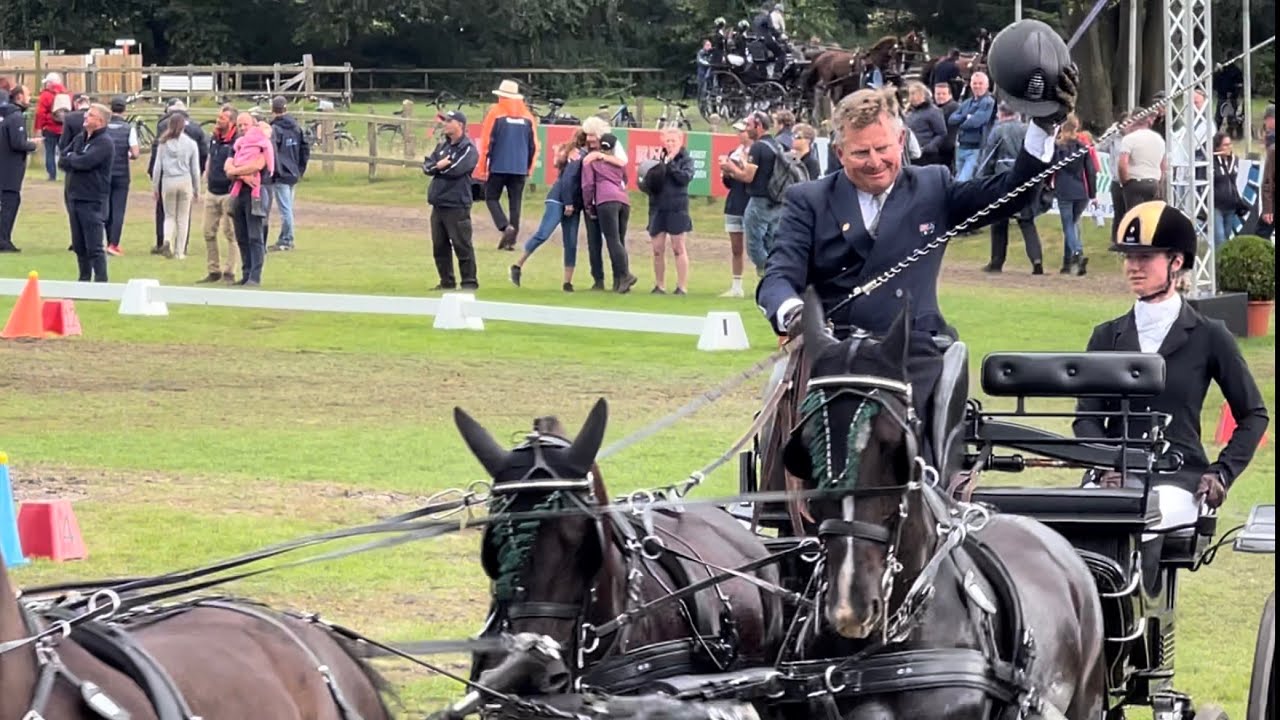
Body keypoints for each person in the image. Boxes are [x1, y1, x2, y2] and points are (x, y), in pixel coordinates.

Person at [758, 20, 1078, 412]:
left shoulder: (934, 186)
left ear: (901, 142)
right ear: (840, 154)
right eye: (860, 153)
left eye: (882, 149)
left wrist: (1045, 126)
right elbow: (778, 277)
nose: (875, 162)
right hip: (832, 352)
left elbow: (1009, 193)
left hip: (913, 351)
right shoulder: (807, 199)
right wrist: (794, 316)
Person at [1074, 201, 1269, 527]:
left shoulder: (1210, 336)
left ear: (1176, 262)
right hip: (1114, 476)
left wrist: (1221, 473)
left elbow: (1253, 415)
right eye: (1128, 257)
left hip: (1179, 475)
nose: (1133, 266)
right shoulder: (1106, 336)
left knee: (1145, 518)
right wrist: (1106, 465)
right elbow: (1087, 418)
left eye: (1145, 257)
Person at [510, 131, 586, 292]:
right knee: (544, 233)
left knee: (571, 242)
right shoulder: (579, 155)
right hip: (560, 199)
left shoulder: (578, 154)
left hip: (572, 202)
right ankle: (517, 264)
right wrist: (568, 202)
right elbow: (567, 179)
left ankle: (567, 282)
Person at [978, 103, 1044, 274]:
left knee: (999, 221)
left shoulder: (998, 131)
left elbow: (989, 158)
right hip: (1025, 177)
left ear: (1001, 114)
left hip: (1003, 178)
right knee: (1026, 221)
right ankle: (1036, 260)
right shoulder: (1026, 130)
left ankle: (997, 261)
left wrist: (983, 180)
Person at [477, 80, 539, 250]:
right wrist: (529, 167)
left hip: (499, 164)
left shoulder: (495, 113)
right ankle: (511, 241)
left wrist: (482, 168)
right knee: (515, 203)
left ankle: (505, 227)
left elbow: (486, 143)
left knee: (491, 197)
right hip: (519, 167)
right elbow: (534, 145)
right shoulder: (527, 116)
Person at [424, 110, 480, 290]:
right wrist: (437, 167)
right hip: (439, 202)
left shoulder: (468, 149)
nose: (445, 124)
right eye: (444, 121)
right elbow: (427, 165)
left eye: (449, 121)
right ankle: (446, 282)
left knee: (461, 244)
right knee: (439, 246)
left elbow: (455, 170)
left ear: (460, 125)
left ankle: (469, 282)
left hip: (457, 203)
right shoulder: (442, 147)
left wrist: (437, 168)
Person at [58, 104, 114, 282]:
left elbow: (86, 162)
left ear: (100, 121)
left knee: (94, 245)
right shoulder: (80, 138)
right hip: (74, 196)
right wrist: (75, 159)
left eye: (90, 115)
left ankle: (101, 281)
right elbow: (62, 160)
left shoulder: (105, 143)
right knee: (79, 244)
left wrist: (74, 159)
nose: (85, 117)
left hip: (92, 198)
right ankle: (83, 278)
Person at [722, 110, 782, 275]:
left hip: (759, 200)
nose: (746, 129)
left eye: (749, 125)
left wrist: (730, 168)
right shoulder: (776, 145)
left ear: (759, 126)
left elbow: (747, 177)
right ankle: (776, 273)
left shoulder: (758, 147)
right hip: (776, 200)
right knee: (770, 241)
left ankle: (770, 273)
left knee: (754, 243)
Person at [149, 100, 208, 255]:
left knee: (169, 216)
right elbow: (195, 168)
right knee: (183, 217)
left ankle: (166, 240)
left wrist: (155, 187)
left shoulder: (163, 143)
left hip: (168, 180)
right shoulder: (190, 143)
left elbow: (157, 167)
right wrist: (197, 189)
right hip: (185, 180)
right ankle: (180, 251)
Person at [581, 133, 637, 293]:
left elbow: (588, 186)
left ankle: (625, 275)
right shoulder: (619, 162)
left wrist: (588, 205)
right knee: (619, 240)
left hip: (605, 200)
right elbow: (625, 180)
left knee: (612, 240)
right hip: (623, 200)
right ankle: (620, 281)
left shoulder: (591, 162)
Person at [642, 127, 695, 295]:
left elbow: (684, 178)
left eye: (674, 141)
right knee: (657, 249)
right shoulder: (657, 158)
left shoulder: (686, 160)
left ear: (680, 142)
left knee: (678, 247)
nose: (670, 144)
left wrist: (671, 164)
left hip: (677, 206)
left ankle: (682, 286)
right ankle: (659, 285)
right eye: (668, 141)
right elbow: (647, 180)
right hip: (657, 206)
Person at [199, 104, 241, 284]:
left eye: (222, 118)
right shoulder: (214, 137)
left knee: (230, 233)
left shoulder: (237, 141)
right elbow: (210, 158)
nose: (218, 120)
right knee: (208, 231)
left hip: (229, 192)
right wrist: (205, 178)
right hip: (212, 190)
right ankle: (213, 269)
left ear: (231, 122)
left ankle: (230, 271)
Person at [1051, 114, 1096, 276]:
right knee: (1072, 225)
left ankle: (1077, 252)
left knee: (1068, 225)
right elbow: (1090, 172)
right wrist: (1092, 193)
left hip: (1064, 189)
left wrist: (1047, 186)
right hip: (1081, 191)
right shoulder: (1083, 147)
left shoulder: (1057, 147)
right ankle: (1067, 263)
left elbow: (1049, 168)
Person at [267, 95, 310, 252]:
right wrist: (300, 169)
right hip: (293, 172)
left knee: (285, 210)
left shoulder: (275, 130)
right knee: (288, 208)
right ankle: (285, 237)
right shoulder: (296, 127)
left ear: (273, 110)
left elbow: (272, 152)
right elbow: (305, 149)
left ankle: (287, 239)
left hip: (281, 174)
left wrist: (274, 171)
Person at [0, 84, 39, 253]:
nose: (30, 98)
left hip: (4, 167)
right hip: (9, 171)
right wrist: (32, 145)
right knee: (10, 203)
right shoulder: (15, 117)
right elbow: (17, 143)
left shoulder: (5, 116)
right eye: (28, 94)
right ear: (19, 97)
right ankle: (3, 240)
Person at [718, 120, 751, 298]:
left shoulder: (756, 153)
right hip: (735, 203)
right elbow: (729, 184)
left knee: (757, 248)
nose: (740, 135)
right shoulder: (734, 153)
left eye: (743, 132)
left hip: (752, 203)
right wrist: (726, 173)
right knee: (736, 248)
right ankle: (736, 286)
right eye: (738, 132)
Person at [103, 96, 140, 256]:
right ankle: (114, 243)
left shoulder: (104, 127)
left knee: (106, 208)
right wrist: (128, 155)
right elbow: (136, 153)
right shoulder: (129, 128)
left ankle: (107, 239)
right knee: (118, 209)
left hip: (104, 172)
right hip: (121, 173)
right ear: (124, 110)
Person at [1118, 108, 1165, 209]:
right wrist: (1159, 181)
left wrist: (1125, 182)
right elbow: (1163, 164)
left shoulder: (1129, 139)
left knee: (1134, 216)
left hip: (1135, 181)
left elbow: (1123, 164)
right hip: (1153, 182)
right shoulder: (1159, 139)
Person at [1211, 132, 1249, 246]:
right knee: (1219, 237)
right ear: (1217, 147)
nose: (1228, 148)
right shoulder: (1212, 162)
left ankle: (1221, 261)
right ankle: (1218, 263)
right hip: (1216, 205)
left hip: (1231, 205)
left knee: (1227, 237)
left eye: (1230, 144)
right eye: (1225, 145)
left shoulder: (1234, 160)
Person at [35, 72, 67, 181]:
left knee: (50, 152)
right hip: (64, 128)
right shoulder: (66, 93)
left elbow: (40, 113)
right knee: (64, 151)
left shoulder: (46, 95)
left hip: (49, 128)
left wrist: (38, 128)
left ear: (49, 83)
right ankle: (67, 173)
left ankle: (52, 175)